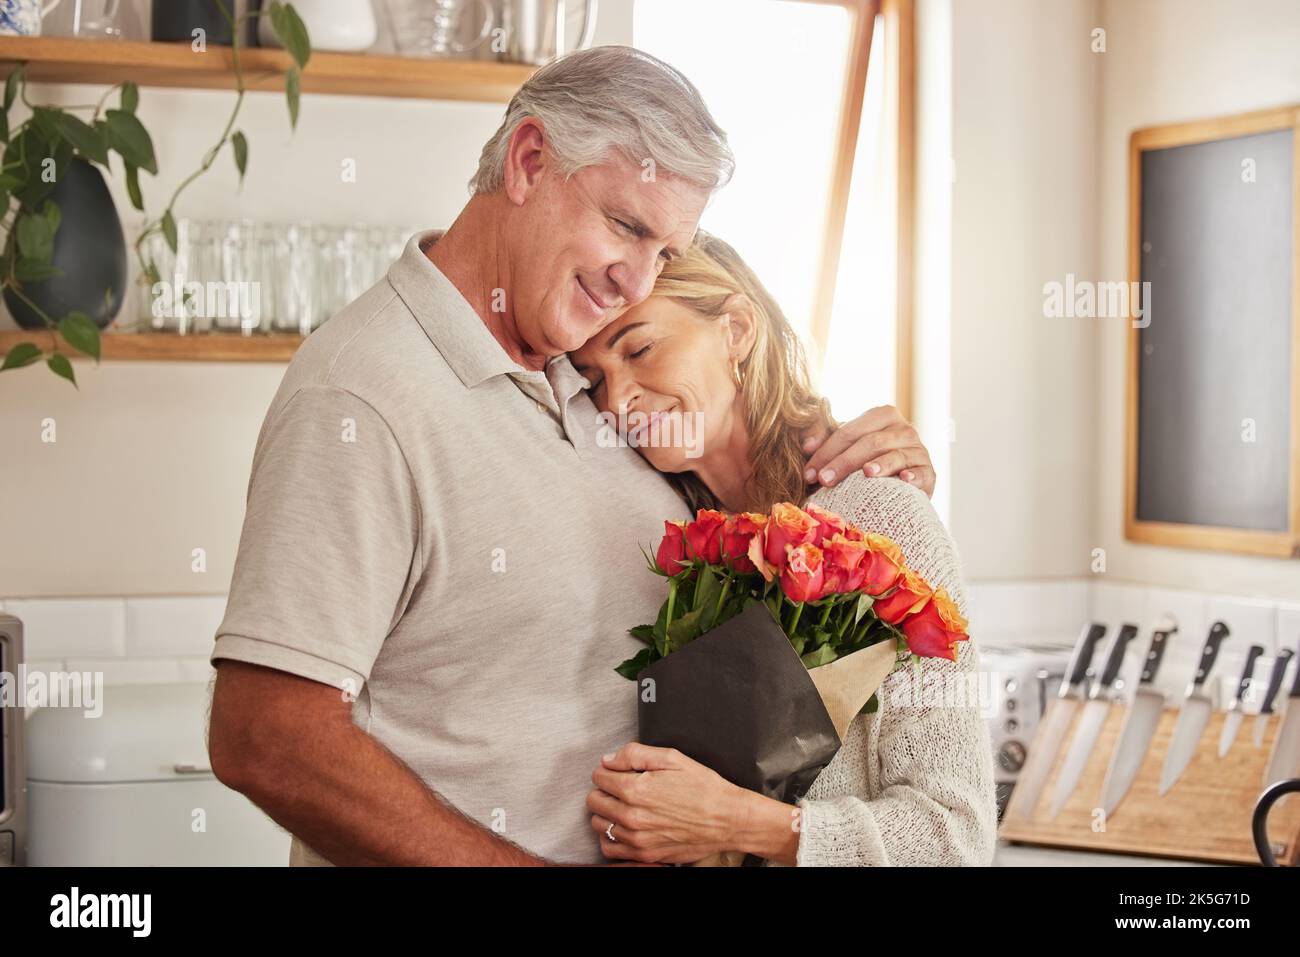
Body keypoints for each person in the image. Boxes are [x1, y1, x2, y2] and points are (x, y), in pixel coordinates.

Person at [206, 45, 937, 866]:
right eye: (626, 225)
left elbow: (739, 479)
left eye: (664, 252)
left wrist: (876, 480)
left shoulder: (579, 364)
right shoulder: (361, 398)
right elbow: (263, 736)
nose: (635, 281)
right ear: (528, 161)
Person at [572, 232, 998, 866]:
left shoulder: (879, 515)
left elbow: (953, 839)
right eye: (593, 381)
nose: (617, 400)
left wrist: (734, 823)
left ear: (737, 329)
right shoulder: (681, 547)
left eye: (639, 348)